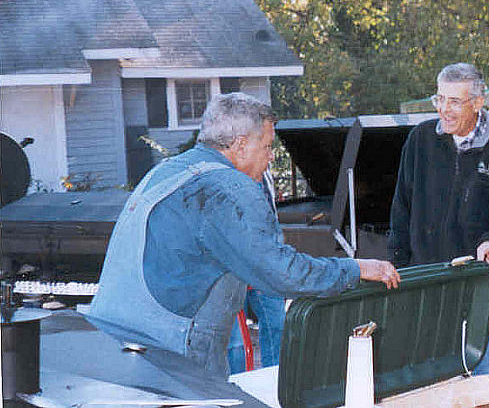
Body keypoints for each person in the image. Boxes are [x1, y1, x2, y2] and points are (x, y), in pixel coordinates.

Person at [88, 93, 400, 379]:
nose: (270, 159)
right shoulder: (229, 188)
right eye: (267, 147)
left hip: (113, 338)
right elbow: (279, 274)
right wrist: (356, 268)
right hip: (171, 351)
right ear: (239, 145)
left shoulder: (166, 171)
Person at [388, 63, 489, 376]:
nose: (444, 109)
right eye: (439, 99)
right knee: (433, 388)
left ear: (478, 102)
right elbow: (400, 213)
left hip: (486, 297)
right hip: (428, 293)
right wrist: (399, 273)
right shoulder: (420, 141)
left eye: (454, 101)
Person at [227, 169, 286, 373]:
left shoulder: (262, 170)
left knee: (276, 326)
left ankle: (273, 385)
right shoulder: (222, 175)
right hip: (234, 268)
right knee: (236, 342)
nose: (270, 155)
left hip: (268, 265)